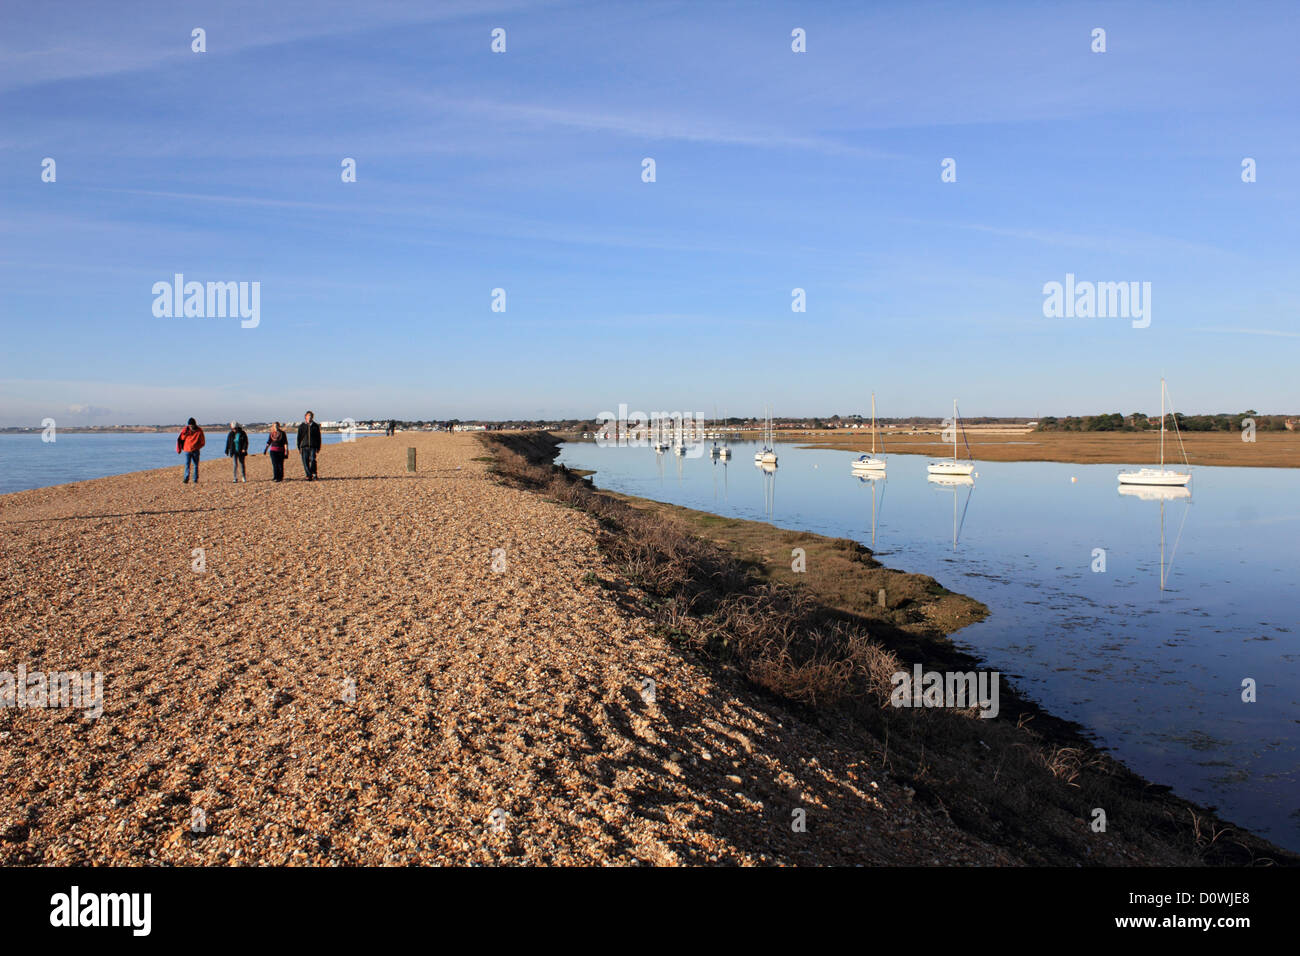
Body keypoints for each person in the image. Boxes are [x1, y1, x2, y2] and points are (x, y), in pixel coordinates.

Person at [177, 418, 205, 483]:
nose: (191, 426)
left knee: (195, 465)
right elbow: (181, 438)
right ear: (188, 425)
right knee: (187, 464)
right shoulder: (185, 430)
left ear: (195, 424)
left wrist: (197, 447)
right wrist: (185, 433)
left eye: (192, 425)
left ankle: (195, 479)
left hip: (195, 450)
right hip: (187, 450)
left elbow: (202, 441)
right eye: (190, 425)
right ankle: (186, 478)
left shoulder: (199, 430)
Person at [297, 411, 322, 480]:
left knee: (313, 460)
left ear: (312, 417)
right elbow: (299, 438)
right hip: (304, 446)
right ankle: (308, 475)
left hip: (313, 446)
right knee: (305, 461)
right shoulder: (302, 426)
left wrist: (318, 447)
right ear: (306, 416)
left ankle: (314, 473)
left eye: (311, 416)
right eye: (308, 415)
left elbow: (318, 437)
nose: (309, 417)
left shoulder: (315, 426)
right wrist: (299, 447)